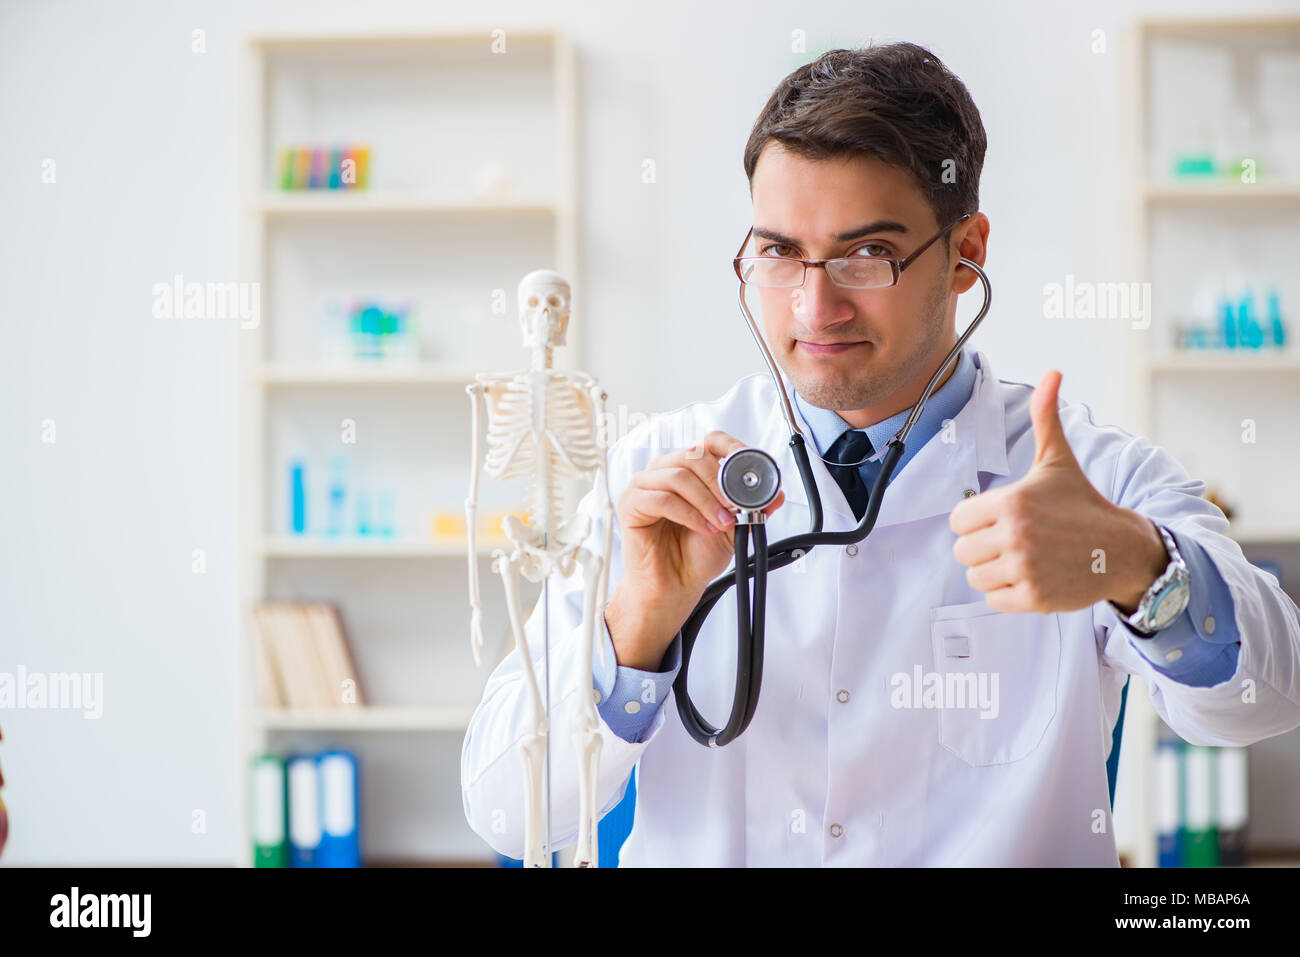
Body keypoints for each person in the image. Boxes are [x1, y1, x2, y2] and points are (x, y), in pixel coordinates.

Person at [461, 41, 1300, 866]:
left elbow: (1267, 696)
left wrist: (1138, 566)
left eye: (868, 254)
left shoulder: (1091, 478)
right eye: (779, 252)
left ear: (966, 252)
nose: (813, 305)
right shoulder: (657, 476)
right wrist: (636, 625)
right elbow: (505, 809)